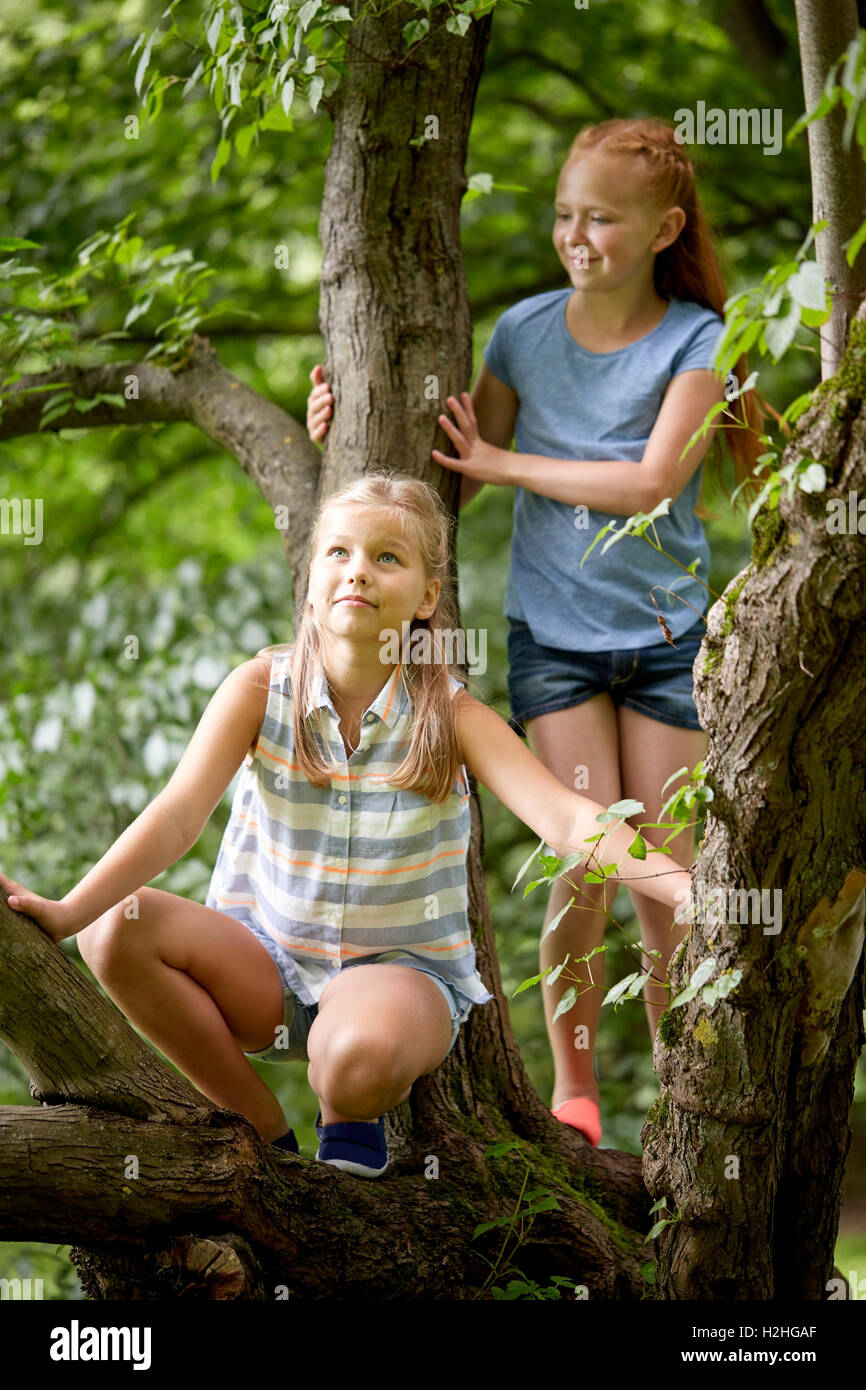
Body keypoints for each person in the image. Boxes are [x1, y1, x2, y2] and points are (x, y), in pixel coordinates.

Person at [1, 473, 694, 1176]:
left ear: (427, 597)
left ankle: (346, 1127)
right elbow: (177, 816)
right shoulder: (258, 688)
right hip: (264, 968)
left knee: (350, 1060)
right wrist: (64, 912)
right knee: (114, 927)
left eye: (387, 557)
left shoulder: (447, 714)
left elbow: (566, 816)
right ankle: (262, 1136)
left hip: (395, 979)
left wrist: (688, 890)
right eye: (339, 553)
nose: (358, 570)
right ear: (312, 579)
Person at [305, 120, 762, 1148]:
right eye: (565, 214)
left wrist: (504, 467)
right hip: (554, 637)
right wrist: (339, 422)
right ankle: (575, 1094)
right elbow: (441, 470)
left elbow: (650, 480)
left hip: (662, 634)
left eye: (601, 217)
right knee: (586, 857)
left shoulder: (695, 340)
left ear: (662, 229)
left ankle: (685, 1102)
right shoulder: (520, 332)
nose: (576, 234)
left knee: (667, 879)